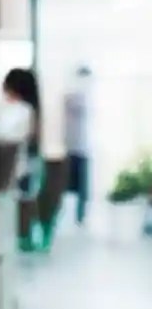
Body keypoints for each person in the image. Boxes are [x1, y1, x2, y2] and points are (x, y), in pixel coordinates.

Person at [0, 67, 41, 250]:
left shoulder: (18, 110)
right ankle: (24, 237)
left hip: (11, 162)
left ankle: (22, 237)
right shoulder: (27, 110)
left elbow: (7, 134)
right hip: (17, 164)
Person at [63, 65, 92, 225]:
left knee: (82, 189)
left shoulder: (90, 98)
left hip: (83, 148)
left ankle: (80, 217)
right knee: (66, 186)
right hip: (70, 148)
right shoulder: (70, 97)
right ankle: (67, 217)